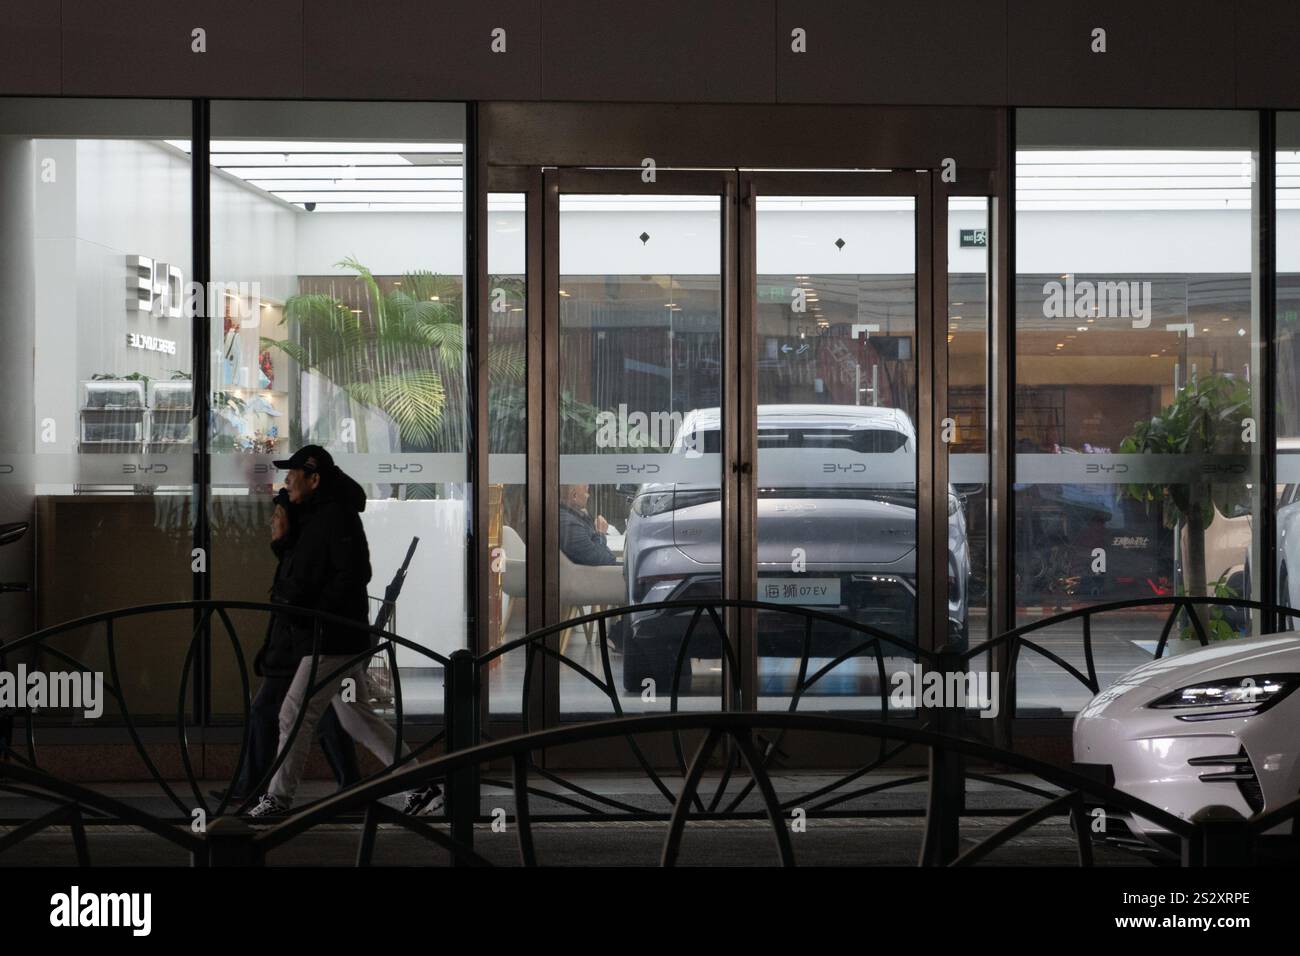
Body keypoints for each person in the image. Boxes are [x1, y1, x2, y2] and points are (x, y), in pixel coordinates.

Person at [247, 445, 441, 818]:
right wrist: (283, 539)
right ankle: (421, 786)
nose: (286, 481)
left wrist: (316, 614)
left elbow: (354, 574)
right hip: (330, 636)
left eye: (292, 475)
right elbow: (303, 569)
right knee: (357, 718)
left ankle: (277, 800)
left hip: (330, 637)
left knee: (293, 715)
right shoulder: (315, 516)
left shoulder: (336, 516)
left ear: (314, 478)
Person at [216, 488, 360, 804]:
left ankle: (260, 790)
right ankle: (351, 785)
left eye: (278, 515)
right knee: (330, 715)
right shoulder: (292, 552)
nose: (271, 521)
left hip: (299, 652)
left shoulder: (299, 555)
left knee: (271, 712)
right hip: (303, 650)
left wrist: (277, 653)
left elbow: (295, 608)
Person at [559, 483, 619, 566]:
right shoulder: (569, 525)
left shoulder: (572, 515)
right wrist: (601, 533)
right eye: (586, 492)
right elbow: (601, 559)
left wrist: (585, 517)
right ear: (574, 496)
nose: (589, 496)